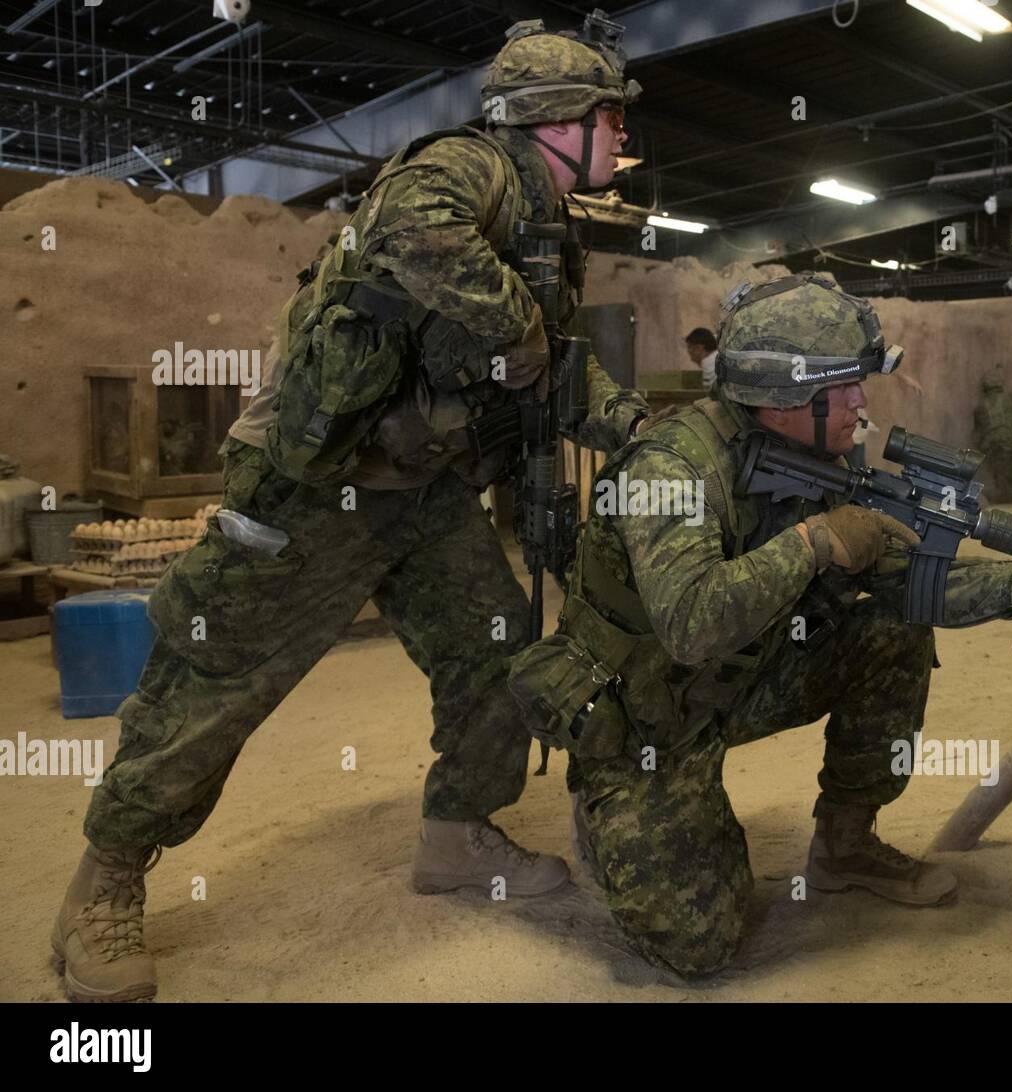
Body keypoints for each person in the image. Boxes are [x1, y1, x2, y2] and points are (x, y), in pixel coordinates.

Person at [52, 14, 654, 1003]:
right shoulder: (471, 168)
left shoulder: (550, 226)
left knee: (498, 650)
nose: (620, 139)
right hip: (312, 483)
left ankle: (457, 836)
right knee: (218, 682)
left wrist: (641, 431)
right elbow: (409, 228)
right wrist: (516, 328)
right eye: (607, 118)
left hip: (421, 494)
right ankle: (107, 879)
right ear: (558, 121)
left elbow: (550, 376)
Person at [508, 273, 1012, 978]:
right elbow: (689, 623)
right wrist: (810, 545)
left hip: (740, 682)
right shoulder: (674, 468)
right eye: (843, 387)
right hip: (644, 717)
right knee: (698, 946)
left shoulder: (824, 458)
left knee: (891, 630)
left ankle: (845, 846)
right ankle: (605, 804)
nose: (861, 402)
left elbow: (909, 581)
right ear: (784, 396)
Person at [972, 370, 1012, 503]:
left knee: (1002, 477)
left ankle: (1001, 493)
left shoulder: (980, 406)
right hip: (1011, 445)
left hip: (992, 448)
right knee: (1010, 483)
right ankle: (1005, 494)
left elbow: (978, 432)